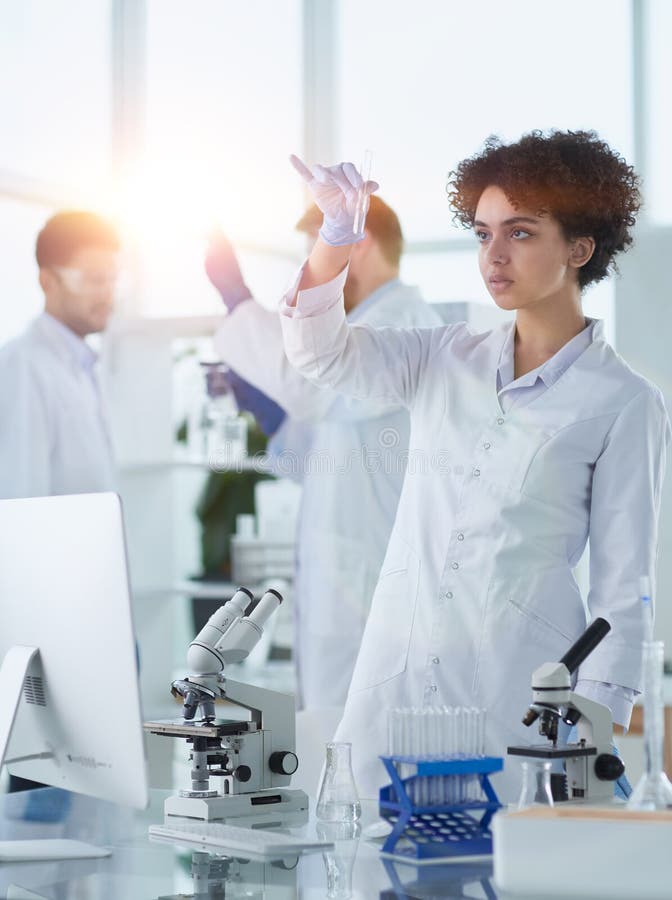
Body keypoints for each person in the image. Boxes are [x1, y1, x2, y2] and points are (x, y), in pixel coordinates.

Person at [279, 133, 670, 802]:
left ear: (579, 247)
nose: (494, 254)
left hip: (516, 694)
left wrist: (596, 724)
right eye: (484, 232)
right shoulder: (442, 357)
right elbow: (320, 354)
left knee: (507, 866)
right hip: (394, 687)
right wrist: (337, 238)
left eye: (520, 232)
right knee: (370, 857)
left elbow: (622, 588)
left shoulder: (622, 401)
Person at [205, 197, 442, 708]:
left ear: (358, 242)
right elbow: (332, 458)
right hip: (351, 579)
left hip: (371, 588)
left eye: (319, 257)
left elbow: (315, 386)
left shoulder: (397, 322)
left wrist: (237, 299)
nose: (312, 276)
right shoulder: (374, 322)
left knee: (356, 750)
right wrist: (274, 418)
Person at [0, 211, 120, 501]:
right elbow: (20, 498)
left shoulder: (84, 365)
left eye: (112, 279)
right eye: (93, 280)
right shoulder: (22, 367)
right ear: (47, 281)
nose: (106, 293)